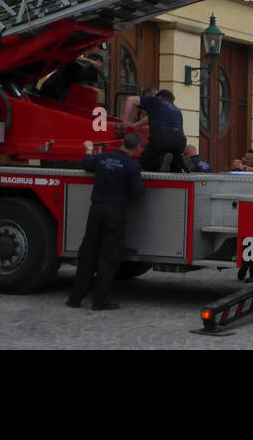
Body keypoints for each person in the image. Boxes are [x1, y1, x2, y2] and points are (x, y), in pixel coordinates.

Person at [67, 133, 145, 310]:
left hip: (96, 210)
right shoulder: (131, 166)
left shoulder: (102, 158)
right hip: (115, 212)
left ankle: (75, 298)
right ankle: (100, 301)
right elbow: (138, 192)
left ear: (123, 143)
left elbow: (87, 165)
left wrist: (88, 150)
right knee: (108, 257)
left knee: (88, 253)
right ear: (137, 148)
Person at [129, 88, 188, 173]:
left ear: (159, 96)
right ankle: (177, 164)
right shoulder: (176, 109)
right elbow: (150, 118)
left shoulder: (156, 101)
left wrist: (125, 122)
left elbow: (130, 99)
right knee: (175, 167)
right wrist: (137, 124)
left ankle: (159, 164)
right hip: (180, 141)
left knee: (146, 160)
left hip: (162, 137)